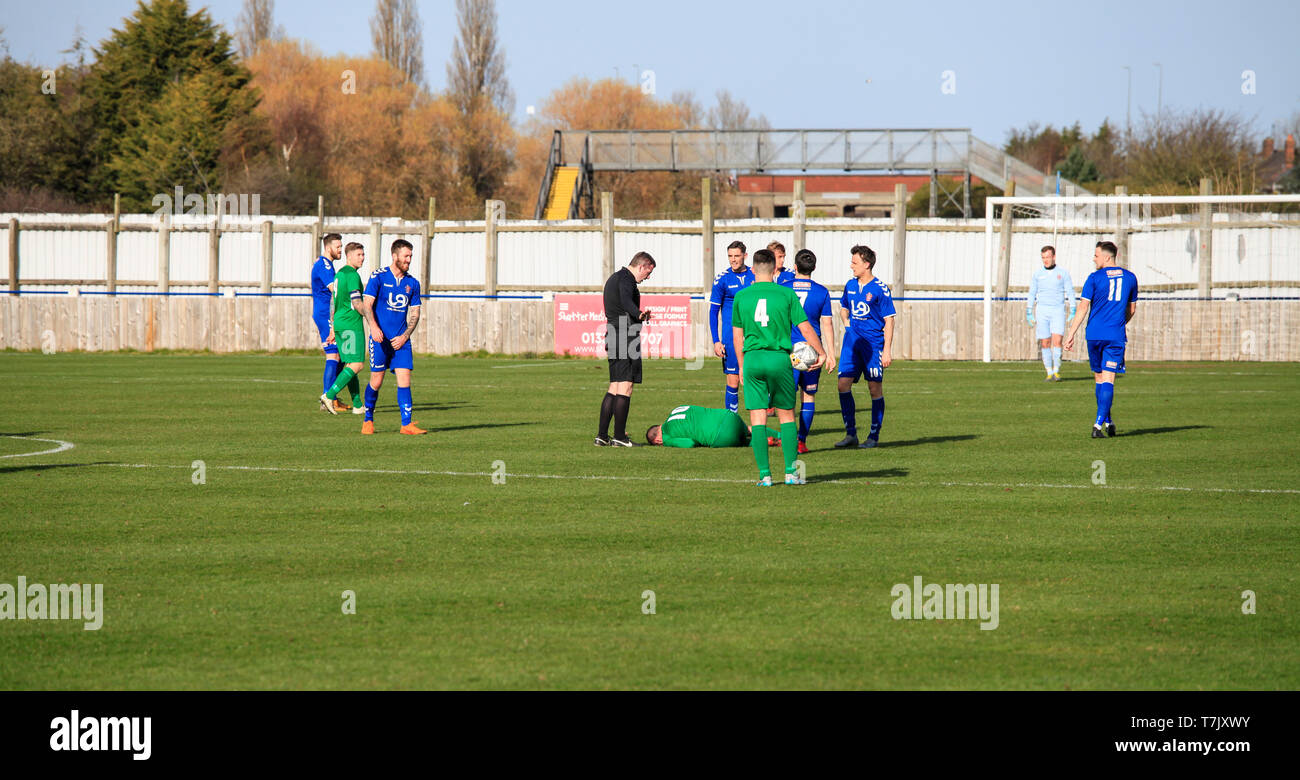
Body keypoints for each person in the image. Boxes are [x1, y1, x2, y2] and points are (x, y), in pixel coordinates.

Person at [732, 248, 827, 486]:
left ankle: (765, 475)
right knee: (786, 416)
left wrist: (742, 366)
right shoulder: (786, 294)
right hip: (780, 359)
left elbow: (736, 336)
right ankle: (791, 473)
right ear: (775, 270)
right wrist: (822, 353)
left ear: (752, 270)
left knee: (758, 418)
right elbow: (806, 328)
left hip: (753, 359)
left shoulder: (741, 296)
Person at [1065, 241, 1138, 438]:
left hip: (1094, 335)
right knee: (1108, 380)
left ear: (1107, 257)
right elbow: (1131, 310)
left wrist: (1070, 334)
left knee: (1099, 379)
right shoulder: (1131, 278)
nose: (1093, 258)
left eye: (1096, 255)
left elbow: (1082, 308)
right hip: (1115, 336)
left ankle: (1104, 422)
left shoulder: (1094, 278)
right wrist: (1119, 323)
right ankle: (1101, 423)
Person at [361, 239, 425, 435]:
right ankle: (368, 419)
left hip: (401, 342)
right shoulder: (378, 277)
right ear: (395, 256)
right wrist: (373, 327)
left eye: (410, 256)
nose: (409, 260)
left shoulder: (412, 283)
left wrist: (405, 336)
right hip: (379, 339)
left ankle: (406, 424)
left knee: (404, 378)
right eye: (406, 256)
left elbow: (415, 313)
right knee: (376, 381)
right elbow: (367, 304)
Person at [835, 245, 896, 449]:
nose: (851, 265)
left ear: (866, 264)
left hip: (873, 346)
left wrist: (887, 349)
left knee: (874, 388)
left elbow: (889, 320)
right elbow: (844, 308)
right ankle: (850, 434)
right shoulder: (850, 285)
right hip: (851, 345)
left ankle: (873, 436)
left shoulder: (880, 288)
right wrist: (847, 323)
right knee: (843, 384)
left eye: (855, 262)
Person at [596, 252, 656, 446]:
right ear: (641, 266)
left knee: (614, 386)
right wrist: (639, 314)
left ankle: (602, 436)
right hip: (625, 335)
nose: (647, 277)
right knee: (626, 386)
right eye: (648, 272)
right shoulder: (626, 279)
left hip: (613, 333)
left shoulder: (614, 278)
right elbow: (625, 300)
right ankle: (620, 437)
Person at [788, 249, 836, 453]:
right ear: (814, 268)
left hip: (786, 351)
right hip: (812, 352)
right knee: (808, 396)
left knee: (787, 399)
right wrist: (831, 354)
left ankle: (788, 440)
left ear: (795, 267)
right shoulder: (821, 292)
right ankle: (801, 441)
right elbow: (827, 325)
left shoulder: (783, 288)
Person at [319, 242, 368, 415]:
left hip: (339, 322)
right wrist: (370, 316)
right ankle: (329, 395)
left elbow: (334, 301)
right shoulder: (353, 275)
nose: (362, 258)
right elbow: (356, 302)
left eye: (363, 254)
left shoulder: (339, 274)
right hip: (351, 324)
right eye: (359, 255)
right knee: (357, 364)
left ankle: (357, 405)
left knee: (349, 364)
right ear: (349, 256)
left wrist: (332, 327)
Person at [709, 241, 754, 412]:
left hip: (753, 335)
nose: (733, 260)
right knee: (733, 381)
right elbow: (713, 312)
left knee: (756, 380)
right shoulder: (722, 279)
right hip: (730, 338)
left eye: (736, 256)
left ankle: (757, 424)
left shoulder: (755, 275)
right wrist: (716, 340)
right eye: (730, 256)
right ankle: (731, 421)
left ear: (745, 256)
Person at [311, 233, 349, 411]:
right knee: (333, 354)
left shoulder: (326, 264)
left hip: (330, 312)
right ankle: (328, 399)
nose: (341, 249)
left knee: (340, 355)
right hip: (326, 313)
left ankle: (332, 395)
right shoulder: (324, 265)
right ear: (328, 248)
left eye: (341, 246)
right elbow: (335, 290)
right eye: (338, 247)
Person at [1027, 245, 1075, 381]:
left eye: (1048, 257)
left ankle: (1057, 371)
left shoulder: (1063, 273)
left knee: (1057, 340)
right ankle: (1048, 371)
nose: (1045, 260)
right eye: (1043, 258)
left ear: (1053, 257)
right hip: (1042, 310)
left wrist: (1073, 308)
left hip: (1057, 310)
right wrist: (1028, 311)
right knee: (1045, 342)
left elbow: (1070, 291)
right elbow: (1032, 293)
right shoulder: (1038, 274)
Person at [645, 405, 752, 448]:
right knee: (750, 429)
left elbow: (690, 443)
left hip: (721, 436)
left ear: (658, 440)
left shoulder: (666, 438)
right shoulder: (675, 410)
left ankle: (763, 441)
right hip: (729, 416)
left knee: (743, 441)